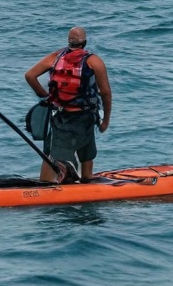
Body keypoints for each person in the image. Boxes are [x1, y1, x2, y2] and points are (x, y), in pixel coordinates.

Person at [24, 27, 112, 183]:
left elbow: (30, 75)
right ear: (84, 42)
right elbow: (105, 92)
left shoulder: (55, 57)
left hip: (62, 116)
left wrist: (43, 95)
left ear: (68, 42)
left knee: (51, 154)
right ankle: (86, 182)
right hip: (86, 117)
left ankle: (45, 184)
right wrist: (105, 120)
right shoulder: (94, 61)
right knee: (87, 153)